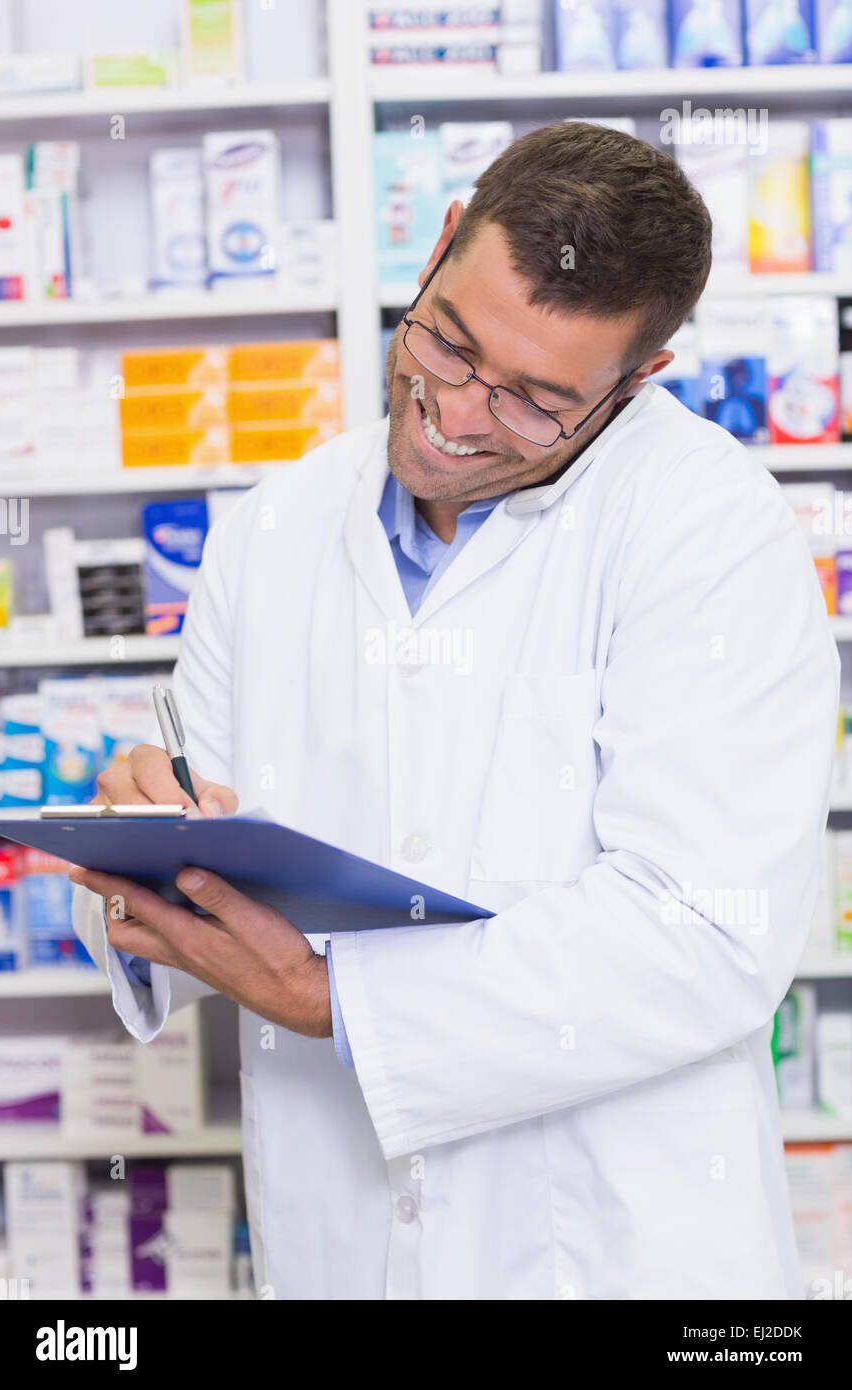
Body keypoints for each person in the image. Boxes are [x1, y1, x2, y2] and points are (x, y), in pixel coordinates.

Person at [71, 121, 839, 1301]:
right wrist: (136, 856)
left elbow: (703, 930)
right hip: (338, 1244)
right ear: (436, 248)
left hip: (616, 1259)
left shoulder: (712, 533)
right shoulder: (275, 528)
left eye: (534, 401)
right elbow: (186, 880)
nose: (459, 415)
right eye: (447, 341)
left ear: (635, 380)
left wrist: (330, 998)